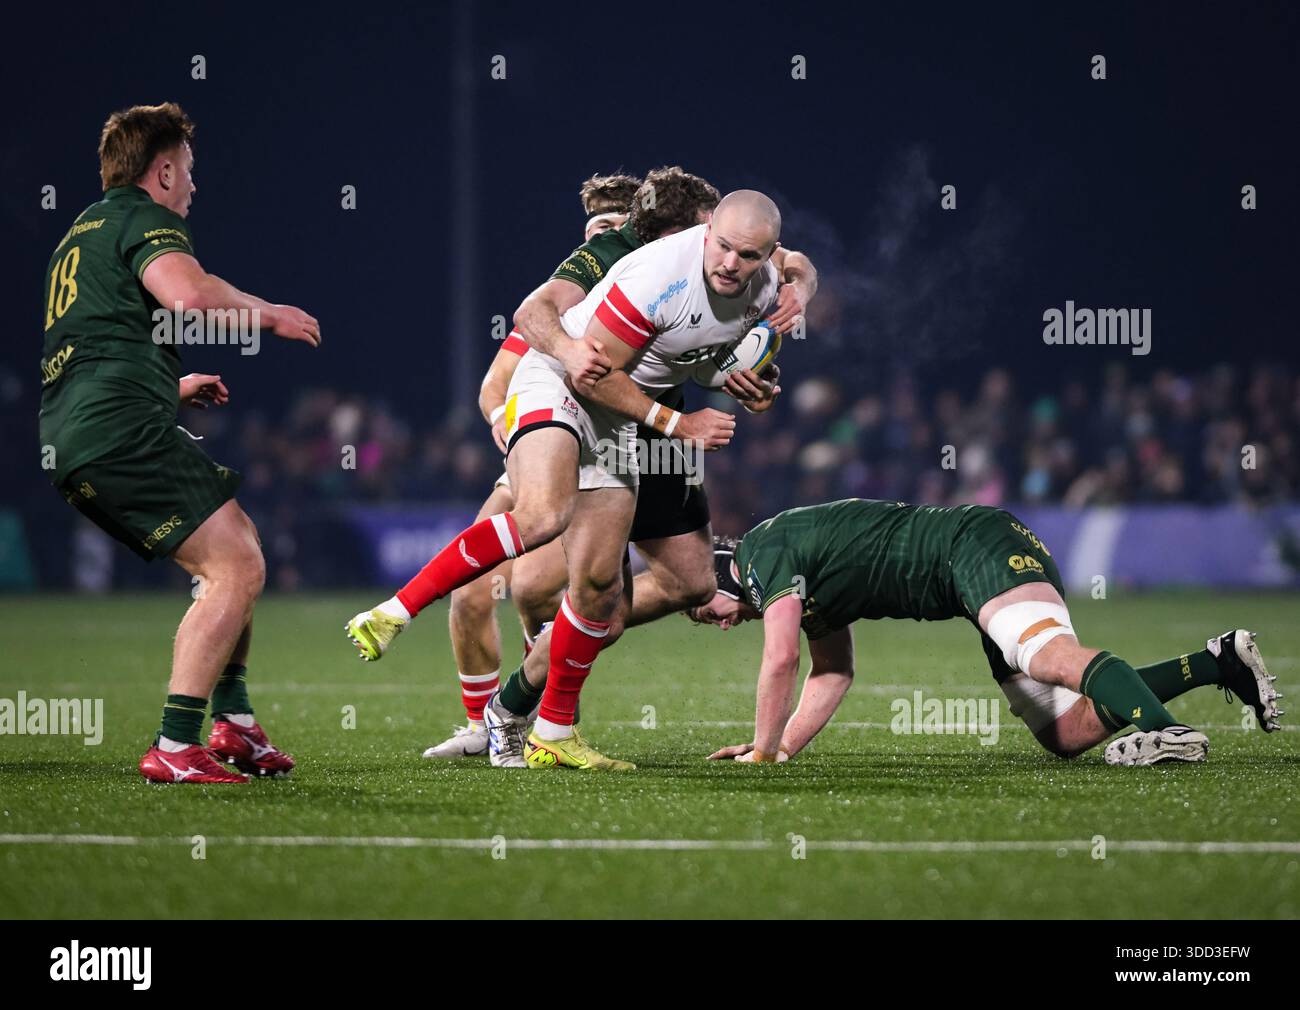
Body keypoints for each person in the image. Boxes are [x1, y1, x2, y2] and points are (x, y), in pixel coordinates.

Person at [39, 103, 320, 784]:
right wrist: (270, 314)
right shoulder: (145, 218)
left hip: (81, 431)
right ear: (161, 170)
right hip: (119, 430)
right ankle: (176, 743)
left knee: (238, 547)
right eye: (189, 171)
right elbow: (189, 299)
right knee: (237, 568)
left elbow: (90, 352)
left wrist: (171, 386)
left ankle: (236, 723)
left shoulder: (80, 233)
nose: (193, 186)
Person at [689, 499, 1282, 766]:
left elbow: (782, 658)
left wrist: (763, 751)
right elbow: (834, 670)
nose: (713, 621)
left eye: (700, 606)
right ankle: (1217, 662)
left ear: (717, 569)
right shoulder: (793, 578)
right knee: (1066, 733)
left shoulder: (763, 552)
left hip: (972, 550)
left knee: (1048, 656)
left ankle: (1167, 733)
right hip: (969, 576)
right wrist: (784, 746)